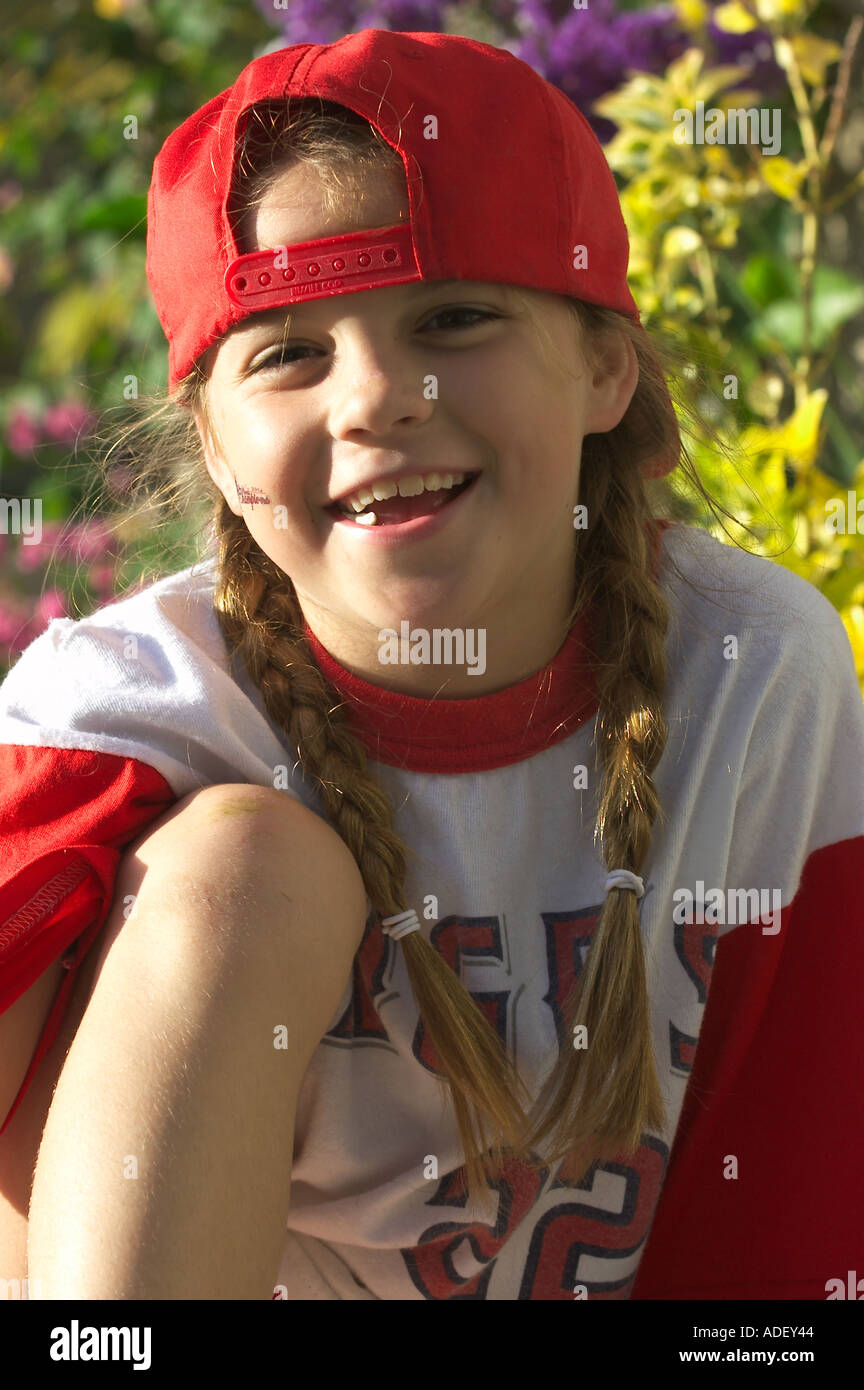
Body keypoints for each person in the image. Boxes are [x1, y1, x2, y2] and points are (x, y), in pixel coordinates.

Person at [1, 28, 862, 1302]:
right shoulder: (119, 718)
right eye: (289, 352)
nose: (376, 397)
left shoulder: (753, 670)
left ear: (606, 368)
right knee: (243, 867)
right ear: (218, 449)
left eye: (455, 316)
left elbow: (789, 1200)